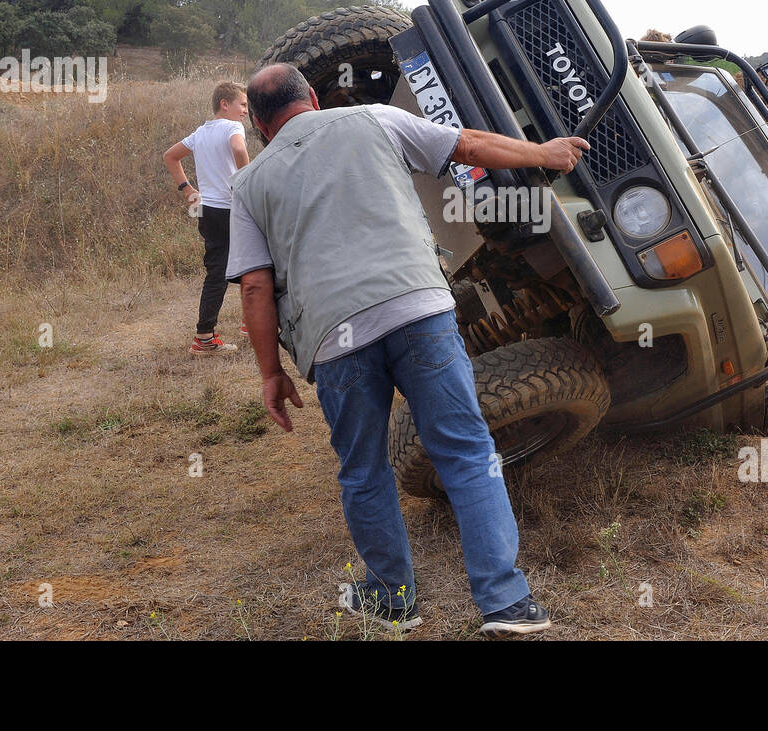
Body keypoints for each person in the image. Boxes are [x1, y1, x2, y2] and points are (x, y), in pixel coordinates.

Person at [226, 63, 588, 637]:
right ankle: (505, 603)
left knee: (363, 469)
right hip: (418, 309)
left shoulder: (246, 185)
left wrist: (271, 373)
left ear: (260, 125)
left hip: (333, 337)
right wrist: (545, 154)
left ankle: (393, 601)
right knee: (466, 450)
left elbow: (254, 286)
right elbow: (467, 144)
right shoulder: (376, 118)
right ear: (313, 97)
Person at [163, 80, 251, 355]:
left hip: (207, 211)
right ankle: (216, 334)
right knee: (251, 263)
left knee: (222, 270)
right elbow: (238, 150)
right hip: (230, 209)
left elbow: (170, 156)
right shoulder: (233, 127)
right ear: (225, 104)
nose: (246, 111)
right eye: (243, 104)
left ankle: (212, 334)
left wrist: (188, 190)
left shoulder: (200, 132)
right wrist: (245, 182)